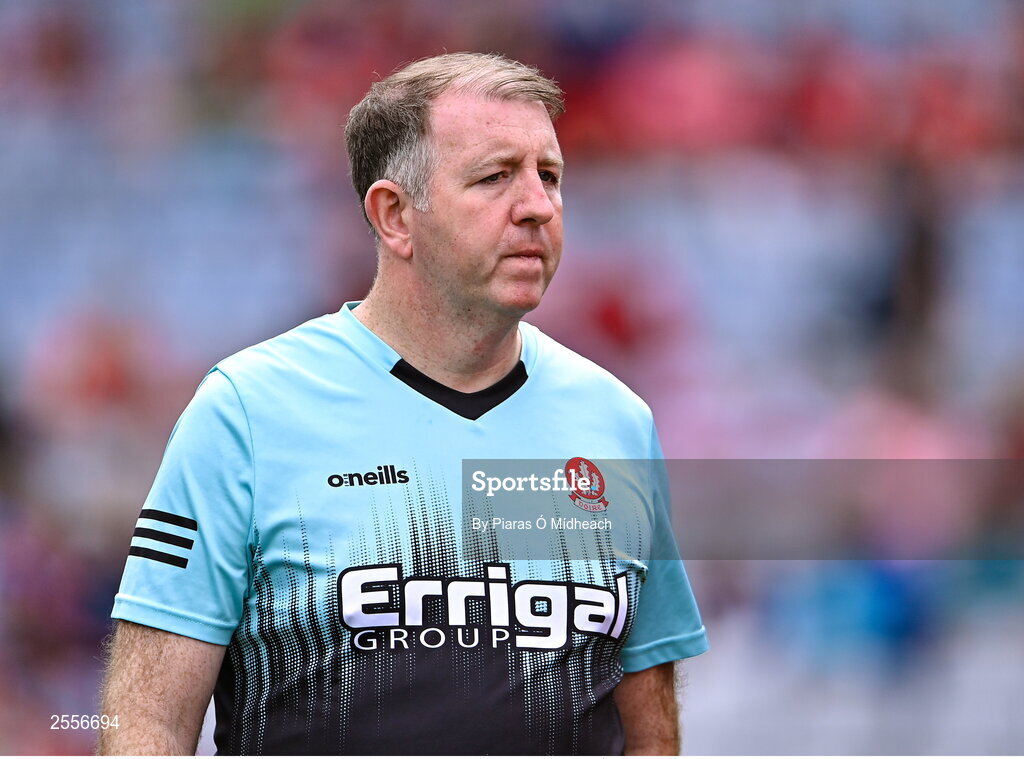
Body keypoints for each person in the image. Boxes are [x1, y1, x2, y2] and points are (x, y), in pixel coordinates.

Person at [98, 52, 708, 755]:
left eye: (550, 176)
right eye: (495, 176)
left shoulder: (617, 420)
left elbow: (651, 732)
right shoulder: (246, 412)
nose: (538, 204)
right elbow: (145, 726)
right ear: (394, 216)